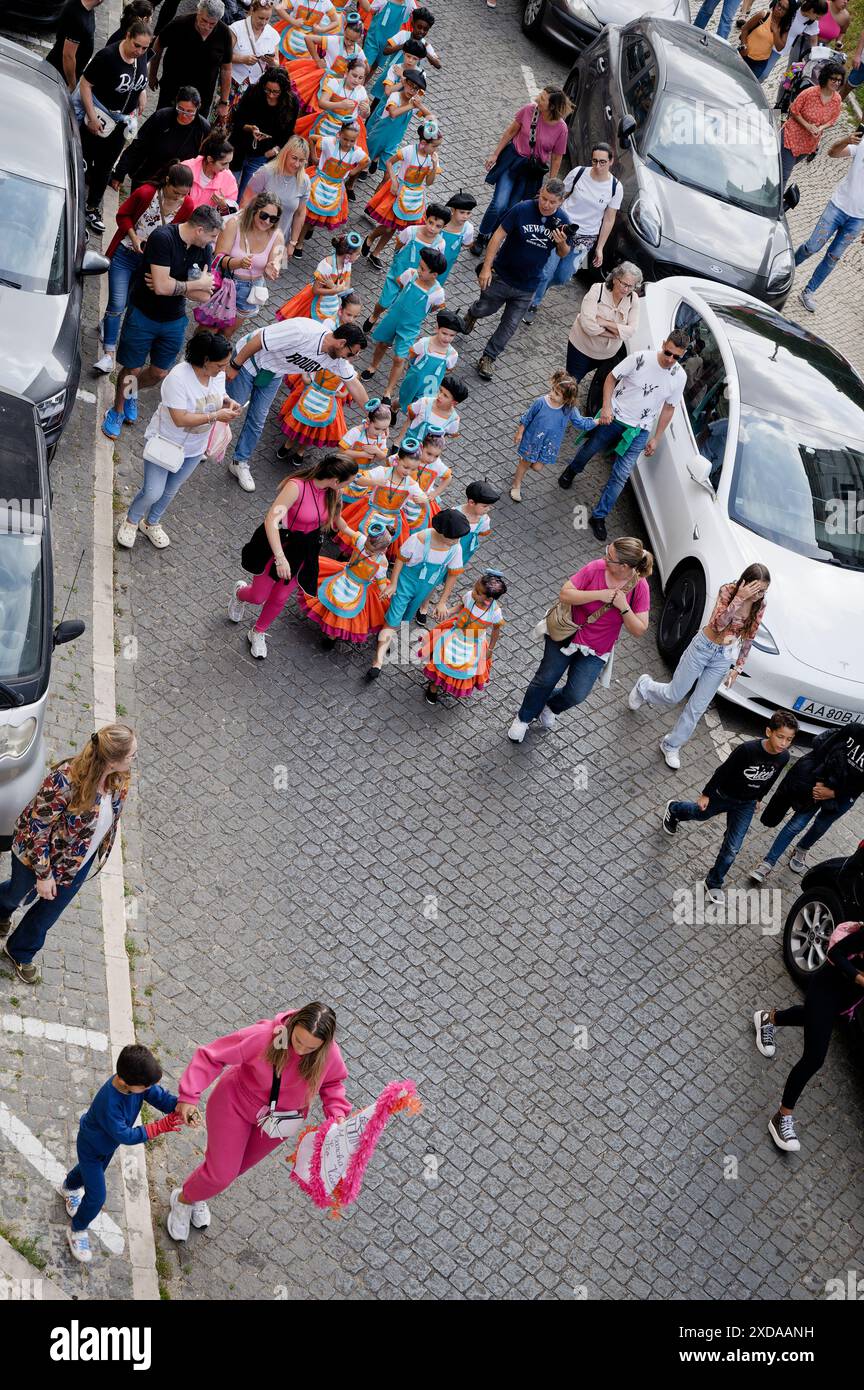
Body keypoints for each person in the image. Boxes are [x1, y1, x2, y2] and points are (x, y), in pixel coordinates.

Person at [167, 1003, 350, 1239]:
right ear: (293, 1026)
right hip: (235, 1104)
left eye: (311, 1048)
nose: (302, 1050)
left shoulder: (328, 1055)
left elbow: (333, 1084)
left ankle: (200, 1192)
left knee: (231, 1171)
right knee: (221, 1174)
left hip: (279, 1123)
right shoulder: (264, 1036)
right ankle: (183, 1199)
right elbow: (212, 1055)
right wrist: (189, 1095)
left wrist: (337, 1115)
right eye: (298, 1041)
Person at [0, 727, 136, 986]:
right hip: (35, 857)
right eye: (131, 755)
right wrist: (44, 875)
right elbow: (36, 828)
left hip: (76, 864)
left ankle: (20, 950)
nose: (133, 760)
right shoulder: (64, 780)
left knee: (49, 912)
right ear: (111, 760)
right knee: (16, 895)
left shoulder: (120, 779)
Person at [507, 538, 652, 743]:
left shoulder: (640, 587)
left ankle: (550, 705)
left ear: (625, 566)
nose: (604, 558)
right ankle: (524, 717)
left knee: (577, 693)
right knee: (545, 679)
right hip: (567, 633)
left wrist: (623, 607)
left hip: (596, 648)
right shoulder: (596, 568)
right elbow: (565, 594)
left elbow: (639, 628)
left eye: (609, 557)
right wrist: (599, 595)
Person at [629, 563, 770, 770]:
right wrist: (739, 598)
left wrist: (738, 667)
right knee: (674, 695)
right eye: (757, 590)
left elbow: (750, 636)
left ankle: (671, 745)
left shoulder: (760, 604)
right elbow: (719, 624)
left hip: (723, 657)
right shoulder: (728, 591)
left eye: (764, 591)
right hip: (703, 647)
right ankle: (644, 687)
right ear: (745, 583)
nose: (759, 595)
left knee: (697, 708)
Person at [101, 204, 221, 440]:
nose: (213, 242)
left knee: (158, 372)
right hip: (143, 314)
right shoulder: (163, 238)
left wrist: (173, 286)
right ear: (199, 230)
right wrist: (191, 285)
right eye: (212, 236)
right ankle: (117, 410)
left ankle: (132, 391)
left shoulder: (203, 249)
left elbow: (202, 295)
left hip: (174, 319)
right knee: (132, 368)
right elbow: (164, 287)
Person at [116, 332, 241, 550]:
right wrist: (215, 416)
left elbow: (220, 395)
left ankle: (151, 523)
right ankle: (131, 521)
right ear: (205, 360)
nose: (224, 370)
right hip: (166, 442)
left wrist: (229, 402)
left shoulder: (216, 375)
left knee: (170, 490)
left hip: (194, 447)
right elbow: (179, 418)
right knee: (153, 490)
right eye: (220, 365)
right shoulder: (178, 378)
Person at [557, 332, 687, 542]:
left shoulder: (679, 377)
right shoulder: (640, 358)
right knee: (591, 448)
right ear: (663, 344)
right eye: (668, 352)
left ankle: (599, 516)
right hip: (615, 416)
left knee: (621, 474)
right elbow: (611, 377)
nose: (670, 359)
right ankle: (572, 469)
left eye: (676, 357)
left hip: (640, 429)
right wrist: (606, 406)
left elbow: (669, 408)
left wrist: (657, 437)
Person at [62, 1045, 184, 1264]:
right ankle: (77, 1229)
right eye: (146, 1086)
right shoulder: (110, 1103)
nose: (149, 1088)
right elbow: (126, 1135)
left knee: (90, 1171)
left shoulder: (135, 1083)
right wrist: (159, 1126)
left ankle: (69, 1187)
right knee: (97, 1195)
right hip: (91, 1146)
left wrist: (179, 1107)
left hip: (105, 1147)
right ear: (126, 1084)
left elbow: (157, 1095)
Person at [662, 711, 798, 903]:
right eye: (780, 737)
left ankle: (714, 882)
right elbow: (722, 771)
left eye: (789, 739)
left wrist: (759, 797)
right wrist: (706, 794)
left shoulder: (783, 757)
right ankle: (675, 809)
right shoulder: (747, 750)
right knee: (698, 813)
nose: (784, 743)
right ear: (769, 732)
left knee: (732, 848)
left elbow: (771, 779)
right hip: (723, 795)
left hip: (746, 804)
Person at [229, 457, 360, 657]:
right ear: (335, 480)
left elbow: (337, 520)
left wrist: (357, 537)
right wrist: (280, 558)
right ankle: (240, 594)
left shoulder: (334, 493)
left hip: (303, 551)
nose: (348, 485)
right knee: (258, 596)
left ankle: (258, 631)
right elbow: (272, 520)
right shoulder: (296, 487)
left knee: (280, 597)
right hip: (278, 545)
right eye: (347, 481)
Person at [754, 922, 864, 1153]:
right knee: (814, 1057)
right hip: (826, 990)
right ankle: (781, 1117)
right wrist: (858, 978)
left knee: (809, 1018)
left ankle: (768, 1019)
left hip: (843, 1004)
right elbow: (836, 953)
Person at [224, 318, 368, 490]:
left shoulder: (336, 360)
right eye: (351, 353)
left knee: (258, 419)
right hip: (249, 361)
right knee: (231, 408)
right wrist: (235, 364)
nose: (350, 359)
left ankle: (239, 462)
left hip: (274, 372)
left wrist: (372, 412)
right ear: (342, 342)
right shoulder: (302, 331)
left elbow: (353, 384)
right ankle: (204, 444)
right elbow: (259, 339)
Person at [462, 179, 568, 383]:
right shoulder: (522, 208)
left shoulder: (563, 221)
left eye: (552, 202)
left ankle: (488, 357)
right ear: (540, 192)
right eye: (544, 198)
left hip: (528, 285)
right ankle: (472, 314)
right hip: (502, 275)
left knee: (510, 325)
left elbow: (564, 253)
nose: (546, 205)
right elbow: (498, 235)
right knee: (486, 308)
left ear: (561, 201)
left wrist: (561, 242)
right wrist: (486, 266)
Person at [96, 163, 195, 376]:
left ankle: (109, 327)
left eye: (184, 194)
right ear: (167, 180)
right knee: (117, 302)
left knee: (132, 305)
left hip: (151, 265)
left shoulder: (187, 206)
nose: (179, 198)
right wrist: (134, 237)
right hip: (126, 254)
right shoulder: (146, 193)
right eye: (176, 193)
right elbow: (123, 215)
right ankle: (109, 355)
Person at [751, 723, 864, 881]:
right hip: (821, 782)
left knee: (820, 826)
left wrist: (834, 793)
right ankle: (768, 863)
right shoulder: (854, 730)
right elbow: (825, 750)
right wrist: (820, 781)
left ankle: (802, 848)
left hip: (844, 795)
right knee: (797, 824)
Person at [523, 146, 622, 326]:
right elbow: (561, 195)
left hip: (585, 240)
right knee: (547, 271)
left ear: (611, 161)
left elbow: (609, 219)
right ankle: (533, 303)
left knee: (563, 276)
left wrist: (599, 248)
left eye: (603, 162)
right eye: (594, 161)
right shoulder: (579, 173)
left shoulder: (615, 187)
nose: (598, 166)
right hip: (562, 229)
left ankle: (540, 290)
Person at [367, 509, 470, 679]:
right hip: (406, 584)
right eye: (454, 538)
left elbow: (453, 574)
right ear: (441, 532)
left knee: (405, 618)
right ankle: (377, 661)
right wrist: (393, 583)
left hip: (425, 588)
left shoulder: (455, 548)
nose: (457, 541)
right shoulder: (419, 539)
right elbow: (400, 559)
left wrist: (442, 601)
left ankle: (388, 639)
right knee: (393, 619)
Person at [473, 88, 571, 256]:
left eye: (543, 98)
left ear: (553, 106)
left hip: (531, 171)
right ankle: (482, 236)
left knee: (511, 208)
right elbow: (511, 131)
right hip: (512, 160)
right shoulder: (529, 110)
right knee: (499, 204)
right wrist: (495, 154)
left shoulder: (561, 129)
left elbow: (556, 158)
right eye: (540, 95)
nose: (538, 99)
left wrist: (550, 184)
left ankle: (494, 236)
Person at [77, 20, 152, 232]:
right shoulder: (108, 56)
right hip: (100, 117)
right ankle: (73, 201)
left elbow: (140, 77)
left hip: (121, 123)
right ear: (128, 36)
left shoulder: (142, 56)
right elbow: (86, 84)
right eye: (136, 45)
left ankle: (92, 207)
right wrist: (91, 116)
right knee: (83, 161)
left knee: (105, 166)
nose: (139, 51)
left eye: (144, 48)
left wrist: (142, 93)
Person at [362, 247, 447, 399]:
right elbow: (400, 283)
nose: (418, 270)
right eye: (419, 266)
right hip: (393, 318)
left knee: (399, 358)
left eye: (422, 269)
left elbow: (435, 307)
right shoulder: (411, 274)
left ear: (434, 274)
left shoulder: (438, 293)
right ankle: (373, 366)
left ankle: (389, 390)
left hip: (410, 327)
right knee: (382, 344)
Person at [795, 132, 864, 310]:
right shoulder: (861, 143)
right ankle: (786, 268)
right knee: (812, 247)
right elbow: (832, 153)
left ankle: (808, 292)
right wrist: (845, 140)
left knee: (833, 257)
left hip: (858, 219)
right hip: (838, 207)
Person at [299, 518, 393, 647]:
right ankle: (329, 629)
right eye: (366, 547)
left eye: (371, 551)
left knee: (344, 609)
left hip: (359, 588)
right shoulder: (361, 540)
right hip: (344, 575)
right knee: (333, 600)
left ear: (383, 550)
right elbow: (345, 528)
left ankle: (331, 636)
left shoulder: (382, 562)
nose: (367, 551)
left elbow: (381, 581)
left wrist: (384, 591)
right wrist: (336, 515)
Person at [510, 370, 596, 503]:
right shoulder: (541, 402)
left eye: (556, 393)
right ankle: (516, 484)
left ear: (567, 399)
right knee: (525, 463)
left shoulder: (569, 409)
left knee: (537, 467)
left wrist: (597, 421)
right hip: (533, 440)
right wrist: (520, 432)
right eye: (553, 390)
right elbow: (527, 417)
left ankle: (525, 463)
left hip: (549, 444)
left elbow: (580, 423)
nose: (551, 394)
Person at [362, 121, 443, 263]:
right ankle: (371, 237)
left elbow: (429, 182)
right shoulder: (409, 151)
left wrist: (435, 165)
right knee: (389, 227)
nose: (436, 150)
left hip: (414, 196)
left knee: (393, 228)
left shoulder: (432, 159)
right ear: (424, 143)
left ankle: (376, 253)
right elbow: (389, 162)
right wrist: (393, 181)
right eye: (434, 146)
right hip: (398, 191)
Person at [363, 205, 449, 328]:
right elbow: (399, 244)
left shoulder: (440, 243)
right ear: (425, 218)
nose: (432, 228)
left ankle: (390, 327)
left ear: (443, 227)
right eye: (430, 223)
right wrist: (398, 261)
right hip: (398, 273)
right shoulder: (411, 231)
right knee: (384, 301)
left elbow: (436, 261)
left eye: (438, 226)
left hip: (417, 281)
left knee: (401, 307)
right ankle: (374, 316)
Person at [111, 88, 211, 191]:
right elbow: (138, 144)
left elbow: (204, 160)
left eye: (190, 112)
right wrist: (119, 173)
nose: (184, 115)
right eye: (180, 109)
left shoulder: (203, 129)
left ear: (197, 108)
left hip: (176, 184)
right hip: (148, 175)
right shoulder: (162, 117)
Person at [338, 436, 428, 550]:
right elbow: (359, 480)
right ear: (397, 460)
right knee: (359, 538)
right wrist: (374, 482)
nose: (408, 472)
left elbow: (423, 498)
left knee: (380, 544)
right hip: (370, 510)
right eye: (406, 467)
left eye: (413, 469)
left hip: (392, 518)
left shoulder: (412, 485)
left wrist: (424, 500)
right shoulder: (382, 471)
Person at [149, 0, 234, 120]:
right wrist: (152, 75)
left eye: (212, 24)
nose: (207, 26)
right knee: (163, 122)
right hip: (172, 89)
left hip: (202, 95)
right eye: (204, 20)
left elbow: (226, 69)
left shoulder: (224, 33)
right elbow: (158, 45)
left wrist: (224, 102)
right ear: (198, 12)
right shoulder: (180, 23)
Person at [213, 193, 286, 331]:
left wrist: (274, 267)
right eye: (264, 216)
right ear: (254, 211)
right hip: (225, 281)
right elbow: (219, 257)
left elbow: (278, 262)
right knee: (210, 329)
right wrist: (239, 263)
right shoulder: (234, 224)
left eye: (273, 219)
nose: (267, 222)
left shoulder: (278, 236)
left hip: (250, 290)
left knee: (227, 333)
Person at [564, 262, 642, 389]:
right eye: (624, 284)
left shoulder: (633, 299)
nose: (626, 289)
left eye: (631, 286)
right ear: (616, 279)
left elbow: (631, 331)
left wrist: (605, 323)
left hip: (606, 355)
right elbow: (588, 325)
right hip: (581, 349)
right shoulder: (598, 289)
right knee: (569, 386)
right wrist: (616, 334)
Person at [229, 67, 299, 196]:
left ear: (283, 91)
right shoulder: (253, 92)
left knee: (246, 194)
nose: (270, 94)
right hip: (239, 147)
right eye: (267, 90)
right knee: (229, 189)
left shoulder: (291, 102)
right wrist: (250, 128)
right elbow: (237, 120)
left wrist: (275, 150)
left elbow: (288, 132)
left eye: (275, 92)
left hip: (263, 154)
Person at [780, 62, 844, 187]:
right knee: (784, 175)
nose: (837, 83)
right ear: (826, 77)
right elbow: (794, 109)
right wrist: (807, 125)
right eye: (834, 79)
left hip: (808, 144)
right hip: (791, 138)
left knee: (780, 169)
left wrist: (821, 127)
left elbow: (832, 119)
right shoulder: (810, 93)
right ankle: (774, 203)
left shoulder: (837, 99)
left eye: (839, 80)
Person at [241, 135, 311, 249]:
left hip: (279, 243)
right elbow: (246, 200)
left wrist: (293, 243)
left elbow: (300, 213)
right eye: (294, 158)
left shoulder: (304, 182)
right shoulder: (266, 172)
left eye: (302, 160)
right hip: (253, 235)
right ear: (285, 154)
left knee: (274, 267)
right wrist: (242, 230)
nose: (297, 164)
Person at [304, 123, 368, 236]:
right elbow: (312, 138)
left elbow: (367, 161)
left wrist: (354, 171)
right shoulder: (329, 142)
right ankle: (299, 240)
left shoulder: (357, 152)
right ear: (339, 135)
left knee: (320, 210)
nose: (348, 143)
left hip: (335, 187)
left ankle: (310, 227)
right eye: (345, 139)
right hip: (319, 180)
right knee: (308, 209)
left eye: (352, 141)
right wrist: (314, 157)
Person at [398, 310, 460, 413]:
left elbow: (448, 369)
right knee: (402, 401)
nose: (447, 338)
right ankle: (394, 408)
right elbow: (412, 353)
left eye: (452, 335)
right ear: (437, 329)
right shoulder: (424, 343)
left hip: (429, 389)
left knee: (420, 410)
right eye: (444, 333)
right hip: (413, 381)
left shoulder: (452, 354)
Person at [229, 0, 281, 102]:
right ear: (252, 11)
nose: (263, 22)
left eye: (267, 19)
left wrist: (271, 62)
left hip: (254, 87)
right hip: (232, 81)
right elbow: (223, 55)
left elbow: (277, 64)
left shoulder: (273, 35)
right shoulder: (237, 28)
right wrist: (242, 59)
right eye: (260, 18)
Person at [46, 0, 105, 91]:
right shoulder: (76, 15)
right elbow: (68, 56)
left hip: (71, 73)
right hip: (59, 74)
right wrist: (72, 85)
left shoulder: (89, 9)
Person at [399, 374, 467, 444]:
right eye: (440, 390)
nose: (439, 395)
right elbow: (410, 416)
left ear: (454, 403)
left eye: (445, 396)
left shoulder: (453, 420)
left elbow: (447, 434)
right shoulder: (424, 402)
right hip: (410, 444)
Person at [739, 0, 797, 80]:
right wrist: (743, 46)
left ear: (788, 13)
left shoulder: (784, 27)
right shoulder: (764, 15)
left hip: (759, 64)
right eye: (779, 4)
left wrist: (776, 32)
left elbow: (779, 47)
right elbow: (745, 29)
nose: (779, 8)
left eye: (783, 8)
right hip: (743, 55)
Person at [183, 133, 240, 210]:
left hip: (205, 221)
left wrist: (224, 205)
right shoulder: (186, 168)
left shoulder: (229, 178)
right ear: (210, 159)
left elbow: (234, 207)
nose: (227, 168)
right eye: (224, 163)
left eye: (229, 162)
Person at [275, 0, 340, 65]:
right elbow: (278, 6)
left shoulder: (326, 3)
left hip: (309, 41)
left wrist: (322, 30)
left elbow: (336, 22)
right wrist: (293, 21)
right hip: (290, 36)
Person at [338, 397, 393, 466]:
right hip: (348, 467)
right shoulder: (356, 432)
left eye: (385, 429)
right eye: (377, 428)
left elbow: (383, 456)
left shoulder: (382, 436)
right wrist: (363, 454)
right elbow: (341, 452)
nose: (380, 433)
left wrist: (377, 451)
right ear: (368, 421)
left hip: (364, 470)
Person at [438, 191, 476, 285]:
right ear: (452, 210)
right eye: (462, 212)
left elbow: (467, 244)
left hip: (445, 264)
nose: (465, 216)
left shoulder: (468, 229)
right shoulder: (441, 221)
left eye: (468, 213)